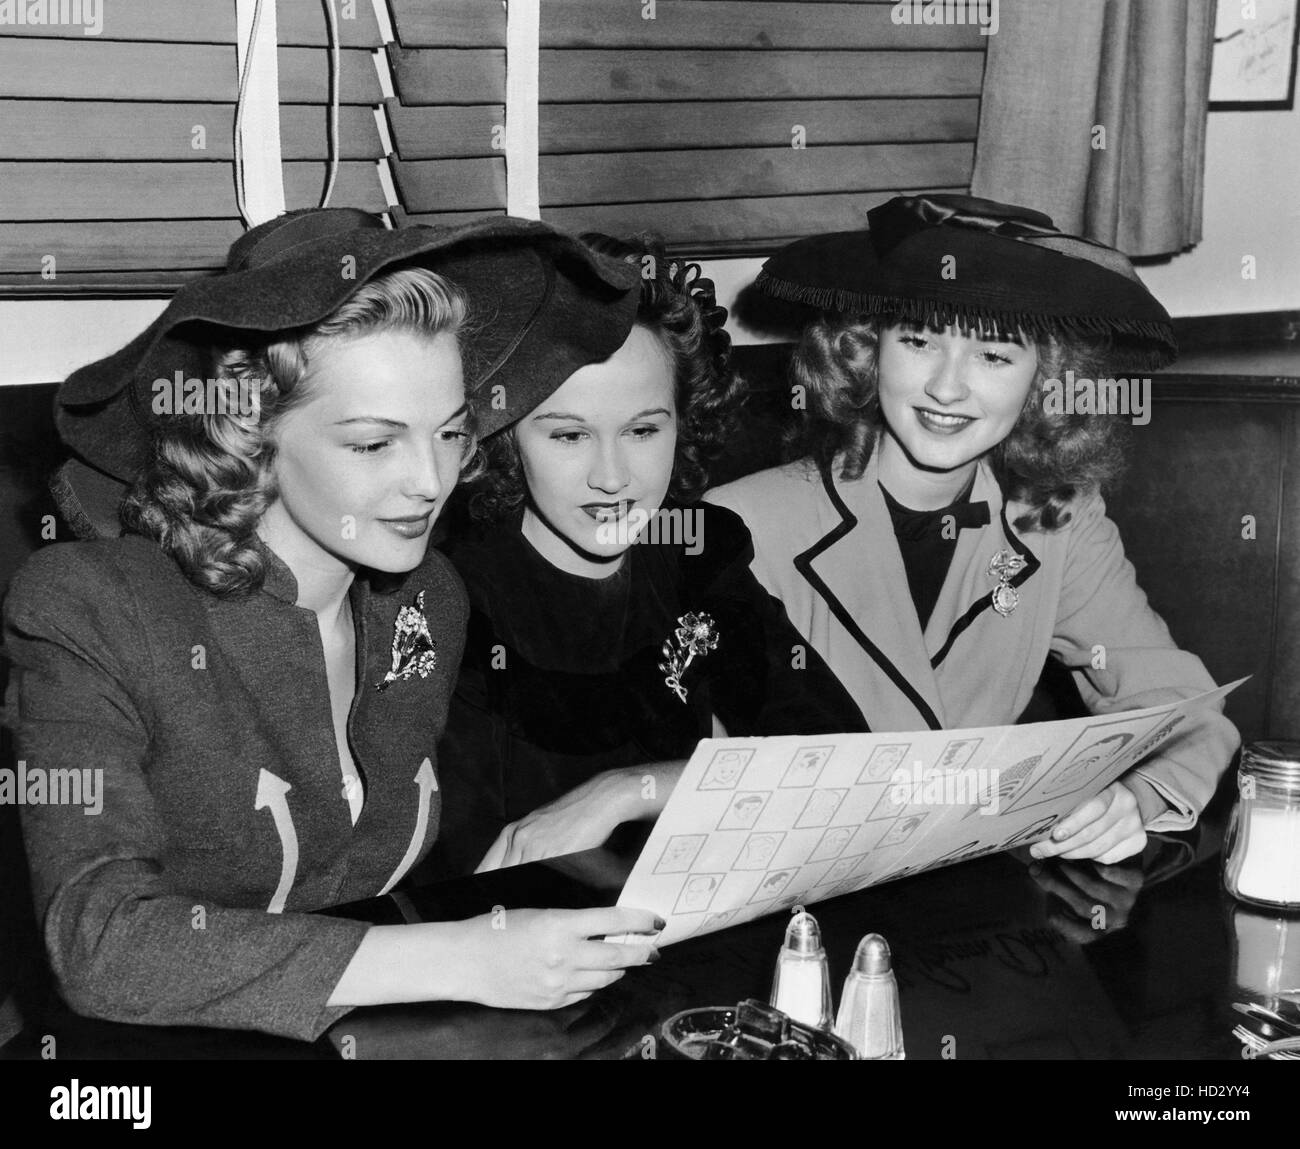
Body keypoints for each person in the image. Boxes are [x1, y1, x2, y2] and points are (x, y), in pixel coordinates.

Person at [1, 208, 662, 1042]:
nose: (430, 480)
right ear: (251, 434)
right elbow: (100, 941)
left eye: (451, 431)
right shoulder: (89, 606)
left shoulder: (426, 599)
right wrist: (457, 956)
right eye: (373, 443)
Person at [705, 194, 1240, 866]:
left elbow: (1184, 707)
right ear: (868, 351)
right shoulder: (739, 528)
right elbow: (694, 774)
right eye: (919, 340)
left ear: (1044, 382)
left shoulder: (1057, 520)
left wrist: (1139, 795)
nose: (948, 388)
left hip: (975, 922)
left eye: (994, 356)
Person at [429, 238, 869, 877]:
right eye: (569, 435)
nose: (613, 478)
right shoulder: (454, 599)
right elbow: (460, 867)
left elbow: (840, 756)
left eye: (642, 430)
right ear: (503, 439)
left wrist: (630, 789)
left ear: (683, 422)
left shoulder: (693, 557)